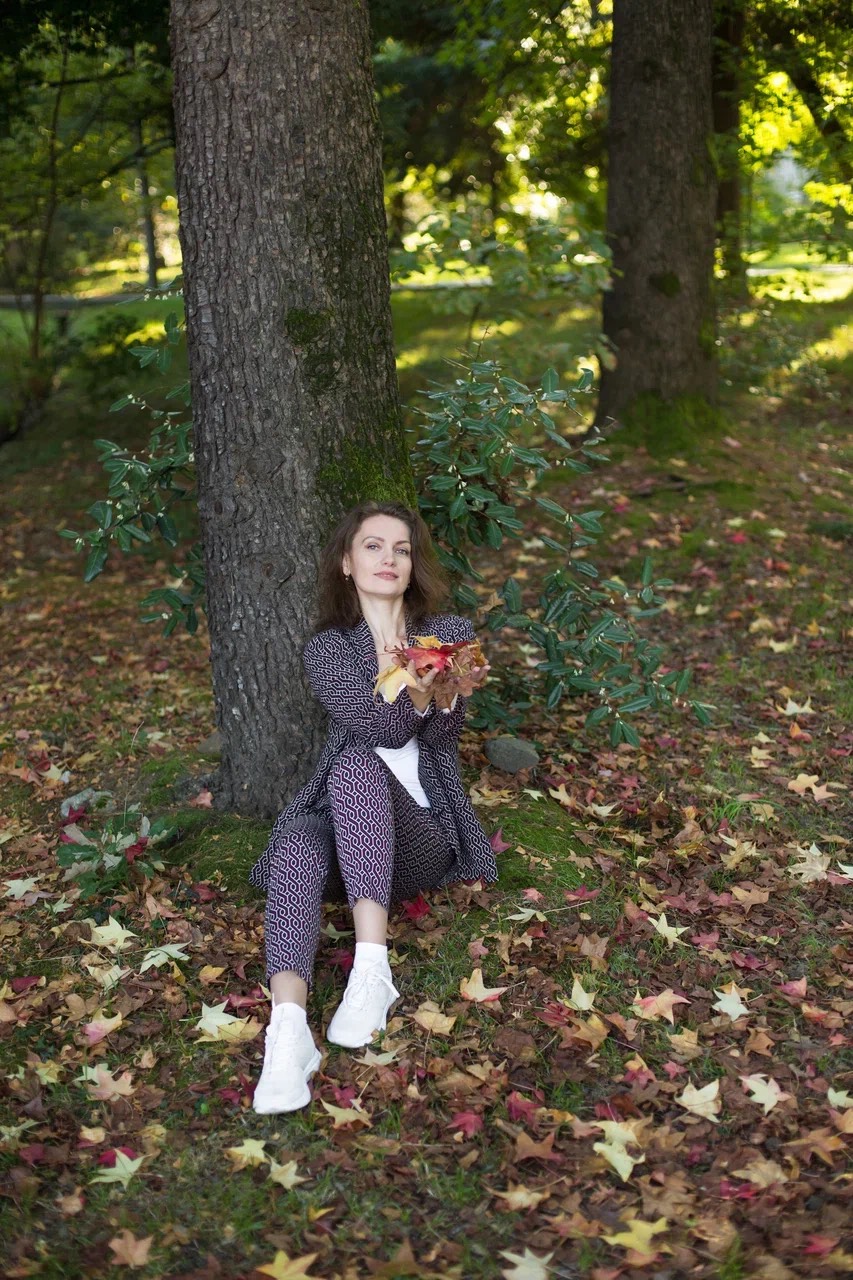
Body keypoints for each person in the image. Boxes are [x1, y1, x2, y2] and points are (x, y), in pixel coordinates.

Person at [249, 499, 498, 1113]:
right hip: (347, 836)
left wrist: (430, 681)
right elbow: (378, 727)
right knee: (295, 843)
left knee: (359, 761)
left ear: (413, 567)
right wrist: (418, 684)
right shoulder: (329, 650)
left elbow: (438, 737)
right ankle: (288, 1034)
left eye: (402, 549)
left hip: (419, 833)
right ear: (346, 562)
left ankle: (371, 968)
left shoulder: (451, 635)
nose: (389, 558)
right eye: (373, 546)